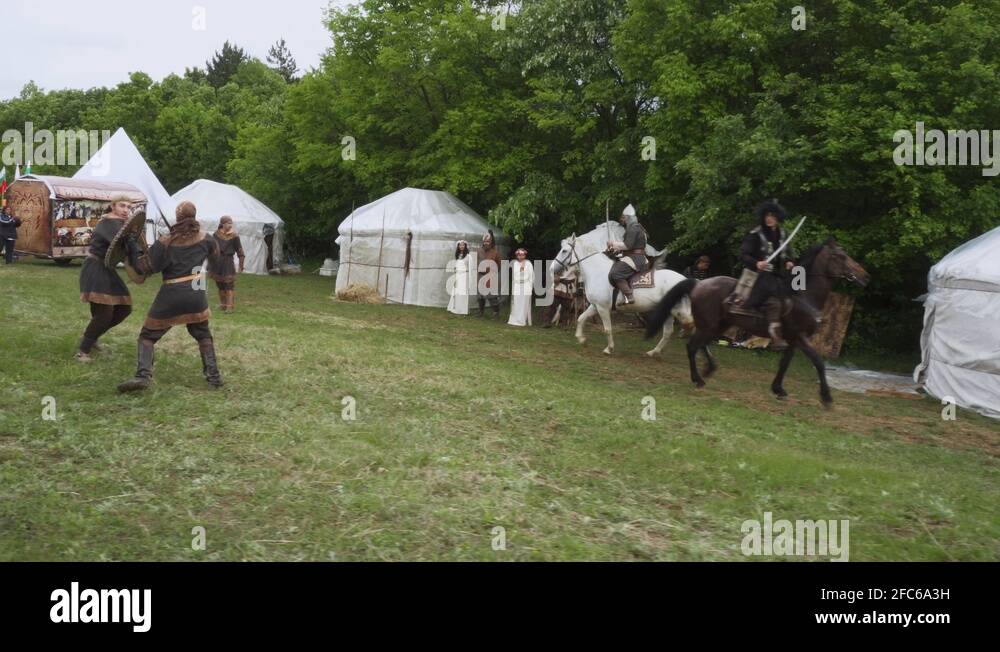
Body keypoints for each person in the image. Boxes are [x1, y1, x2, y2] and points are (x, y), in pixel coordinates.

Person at [117, 201, 223, 392]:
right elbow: (216, 259)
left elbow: (144, 269)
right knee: (203, 334)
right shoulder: (206, 239)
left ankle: (143, 376)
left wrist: (132, 250)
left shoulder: (166, 242)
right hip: (196, 293)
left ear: (178, 217)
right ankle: (214, 378)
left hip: (171, 295)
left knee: (147, 336)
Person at [75, 197, 136, 362]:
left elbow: (124, 251)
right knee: (104, 313)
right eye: (122, 205)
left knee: (124, 308)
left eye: (129, 207)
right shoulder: (109, 223)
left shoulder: (120, 224)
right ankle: (82, 351)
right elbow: (122, 245)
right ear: (113, 206)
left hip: (107, 269)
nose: (126, 210)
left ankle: (91, 336)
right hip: (95, 267)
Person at [736, 199, 797, 351]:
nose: (769, 218)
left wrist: (789, 262)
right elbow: (743, 254)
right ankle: (775, 336)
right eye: (767, 215)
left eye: (772, 215)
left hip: (778, 277)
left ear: (778, 217)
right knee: (774, 302)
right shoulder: (756, 234)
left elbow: (789, 255)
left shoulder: (783, 235)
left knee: (793, 298)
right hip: (759, 277)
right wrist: (756, 263)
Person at [606, 204, 648, 309]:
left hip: (635, 259)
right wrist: (613, 250)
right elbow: (628, 247)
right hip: (632, 256)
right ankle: (622, 296)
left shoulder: (634, 228)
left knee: (616, 273)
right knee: (614, 269)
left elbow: (627, 245)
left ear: (628, 218)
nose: (622, 220)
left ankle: (629, 296)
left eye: (623, 218)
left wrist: (613, 243)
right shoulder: (636, 228)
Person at [208, 216, 245, 313]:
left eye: (231, 223)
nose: (230, 225)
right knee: (220, 285)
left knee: (228, 285)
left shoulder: (234, 236)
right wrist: (210, 263)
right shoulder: (216, 235)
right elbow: (211, 249)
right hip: (217, 262)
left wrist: (241, 265)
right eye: (228, 223)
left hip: (228, 262)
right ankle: (223, 304)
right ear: (222, 224)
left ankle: (230, 306)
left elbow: (240, 251)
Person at [476, 230, 502, 318]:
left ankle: (496, 312)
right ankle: (481, 312)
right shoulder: (479, 251)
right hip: (480, 276)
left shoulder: (495, 252)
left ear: (490, 242)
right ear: (483, 242)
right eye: (485, 241)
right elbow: (476, 262)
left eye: (488, 241)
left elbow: (498, 264)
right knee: (480, 296)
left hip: (491, 277)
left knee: (492, 296)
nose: (486, 243)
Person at [507, 248, 534, 326]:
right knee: (516, 303)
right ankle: (514, 319)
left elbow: (531, 275)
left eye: (522, 255)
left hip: (525, 285)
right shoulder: (515, 263)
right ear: (517, 256)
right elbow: (515, 275)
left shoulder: (528, 264)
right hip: (517, 285)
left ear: (525, 255)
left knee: (523, 303)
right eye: (519, 255)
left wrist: (530, 286)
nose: (520, 257)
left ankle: (521, 320)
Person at [447, 240, 471, 316]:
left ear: (465, 246)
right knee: (457, 292)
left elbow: (470, 268)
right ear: (458, 246)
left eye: (463, 245)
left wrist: (470, 279)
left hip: (464, 276)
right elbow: (457, 265)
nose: (461, 246)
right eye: (460, 245)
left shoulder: (468, 256)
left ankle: (462, 310)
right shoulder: (458, 255)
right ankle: (456, 308)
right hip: (458, 276)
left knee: (463, 293)